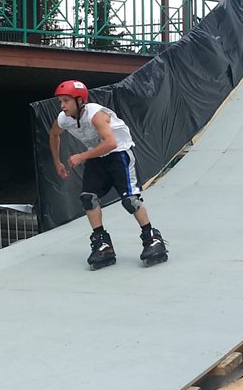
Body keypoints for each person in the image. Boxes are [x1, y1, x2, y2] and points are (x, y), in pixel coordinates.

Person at [48, 80, 167, 269]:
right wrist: (57, 162)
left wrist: (82, 156)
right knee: (88, 198)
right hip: (97, 157)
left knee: (130, 200)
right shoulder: (64, 118)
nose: (62, 106)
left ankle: (152, 238)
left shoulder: (96, 115)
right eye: (60, 101)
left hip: (119, 154)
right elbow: (53, 134)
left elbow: (111, 143)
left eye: (66, 101)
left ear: (79, 101)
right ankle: (103, 245)